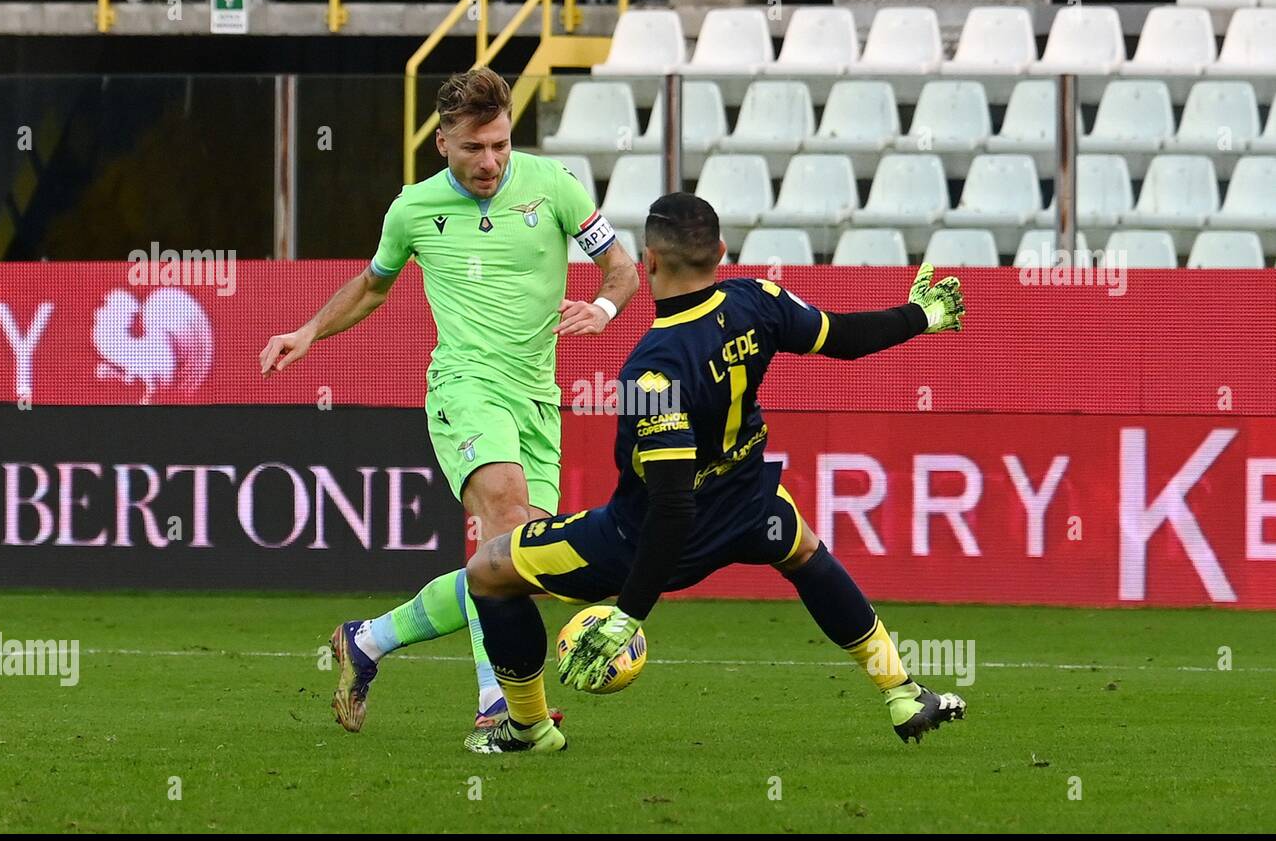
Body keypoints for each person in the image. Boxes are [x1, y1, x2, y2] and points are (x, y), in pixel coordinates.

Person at [464, 192, 967, 753]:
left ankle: (529, 728)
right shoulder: (759, 300)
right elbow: (845, 339)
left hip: (644, 540)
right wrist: (925, 315)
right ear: (722, 252)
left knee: (488, 570)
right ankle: (901, 691)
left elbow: (673, 504)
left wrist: (628, 613)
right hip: (749, 506)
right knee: (802, 551)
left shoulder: (652, 371)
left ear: (648, 260)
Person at [257, 68, 639, 734]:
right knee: (506, 521)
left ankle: (367, 639)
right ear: (442, 142)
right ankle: (499, 703)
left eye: (500, 144)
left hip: (537, 399)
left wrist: (605, 308)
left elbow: (623, 268)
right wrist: (309, 330)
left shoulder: (554, 186)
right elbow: (373, 287)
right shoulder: (412, 209)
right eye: (474, 148)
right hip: (464, 387)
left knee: (517, 567)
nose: (490, 161)